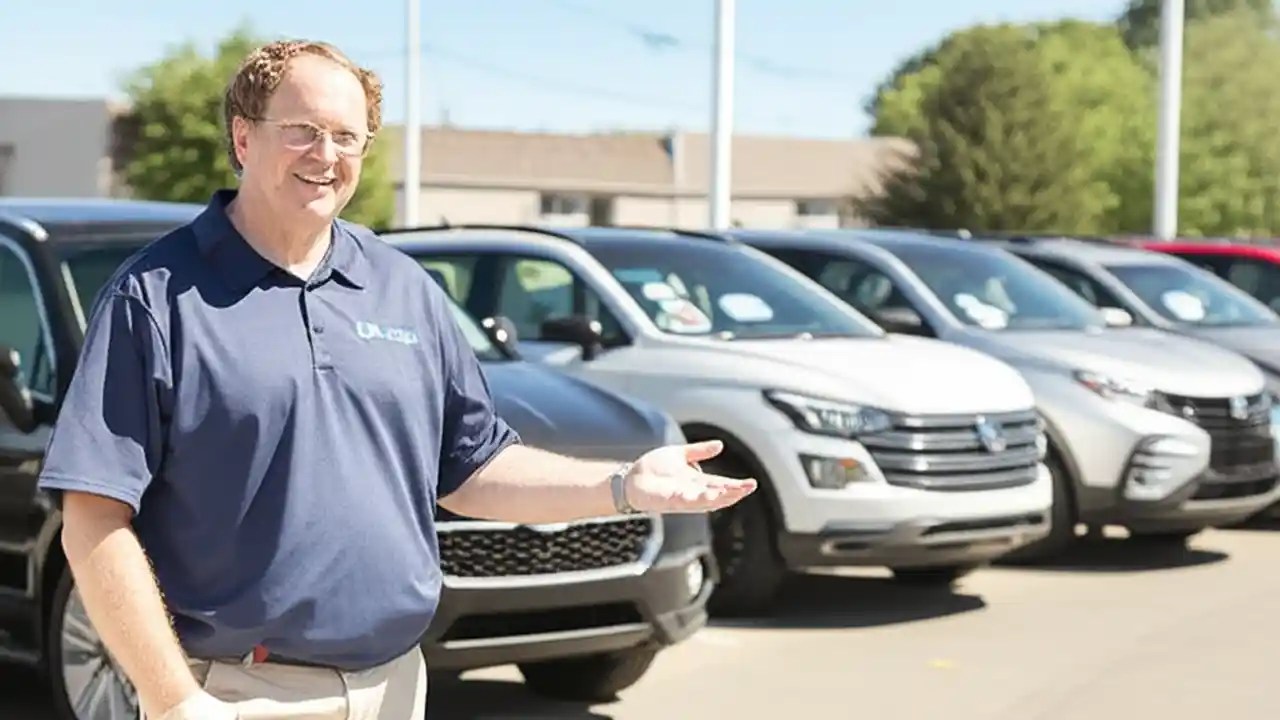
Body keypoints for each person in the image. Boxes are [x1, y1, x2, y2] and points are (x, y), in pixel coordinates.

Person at [37, 39, 756, 720]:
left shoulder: (400, 287)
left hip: (394, 685)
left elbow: (473, 467)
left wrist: (624, 484)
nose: (326, 155)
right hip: (231, 691)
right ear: (243, 138)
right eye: (302, 130)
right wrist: (170, 697)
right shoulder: (157, 296)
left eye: (348, 137)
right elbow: (94, 518)